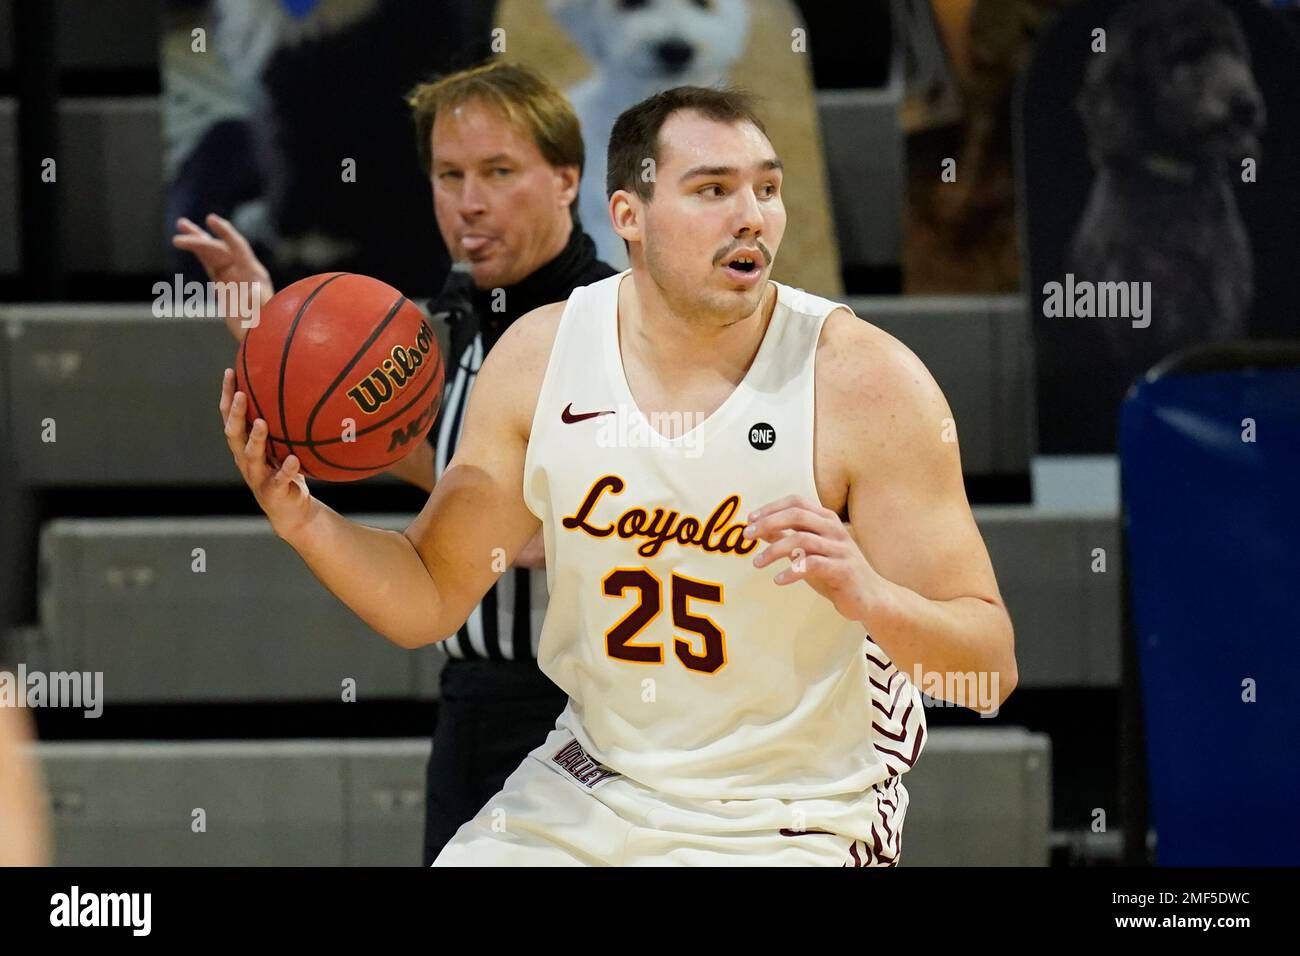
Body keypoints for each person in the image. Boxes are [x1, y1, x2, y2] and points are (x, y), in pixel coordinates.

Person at [217, 85, 1017, 866]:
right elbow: (429, 591)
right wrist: (306, 521)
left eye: (767, 188)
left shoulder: (866, 382)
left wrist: (871, 596)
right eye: (712, 189)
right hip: (597, 785)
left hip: (793, 809)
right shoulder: (539, 356)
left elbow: (988, 675)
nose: (752, 215)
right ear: (628, 216)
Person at [176, 61, 615, 864]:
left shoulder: (616, 327)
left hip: (588, 708)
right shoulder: (456, 313)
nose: (469, 201)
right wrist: (274, 343)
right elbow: (444, 466)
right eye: (449, 175)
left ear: (566, 179)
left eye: (498, 172)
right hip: (470, 700)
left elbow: (686, 511)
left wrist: (554, 533)